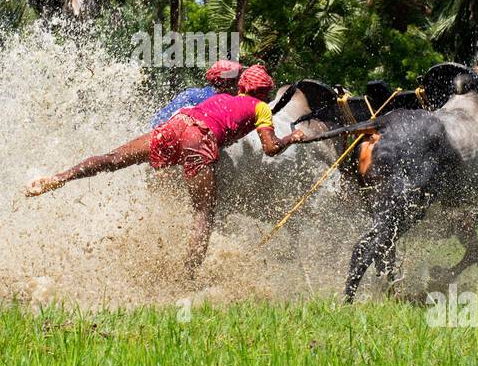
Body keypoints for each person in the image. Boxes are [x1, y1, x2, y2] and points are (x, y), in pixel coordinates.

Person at [25, 65, 305, 273]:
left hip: (176, 125)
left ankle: (58, 178)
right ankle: (187, 277)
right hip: (199, 138)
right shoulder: (261, 108)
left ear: (240, 85)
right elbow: (270, 147)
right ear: (266, 92)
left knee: (112, 159)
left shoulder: (215, 97)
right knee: (204, 215)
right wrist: (293, 137)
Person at [150, 60, 242, 128]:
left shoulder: (193, 94)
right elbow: (159, 123)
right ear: (227, 84)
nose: (241, 84)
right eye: (238, 80)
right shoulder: (198, 98)